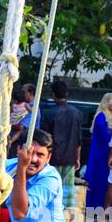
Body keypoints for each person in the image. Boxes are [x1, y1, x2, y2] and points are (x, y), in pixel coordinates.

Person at [40, 79, 82, 210]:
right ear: (67, 94)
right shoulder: (76, 113)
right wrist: (77, 158)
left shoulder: (48, 113)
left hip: (53, 158)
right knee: (67, 194)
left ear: (53, 95)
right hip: (70, 158)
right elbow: (78, 139)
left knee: (51, 190)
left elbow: (44, 140)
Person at [83, 93, 112, 209]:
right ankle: (96, 207)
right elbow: (105, 135)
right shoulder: (101, 116)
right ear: (107, 102)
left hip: (107, 154)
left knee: (108, 182)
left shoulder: (111, 116)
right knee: (99, 181)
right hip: (101, 155)